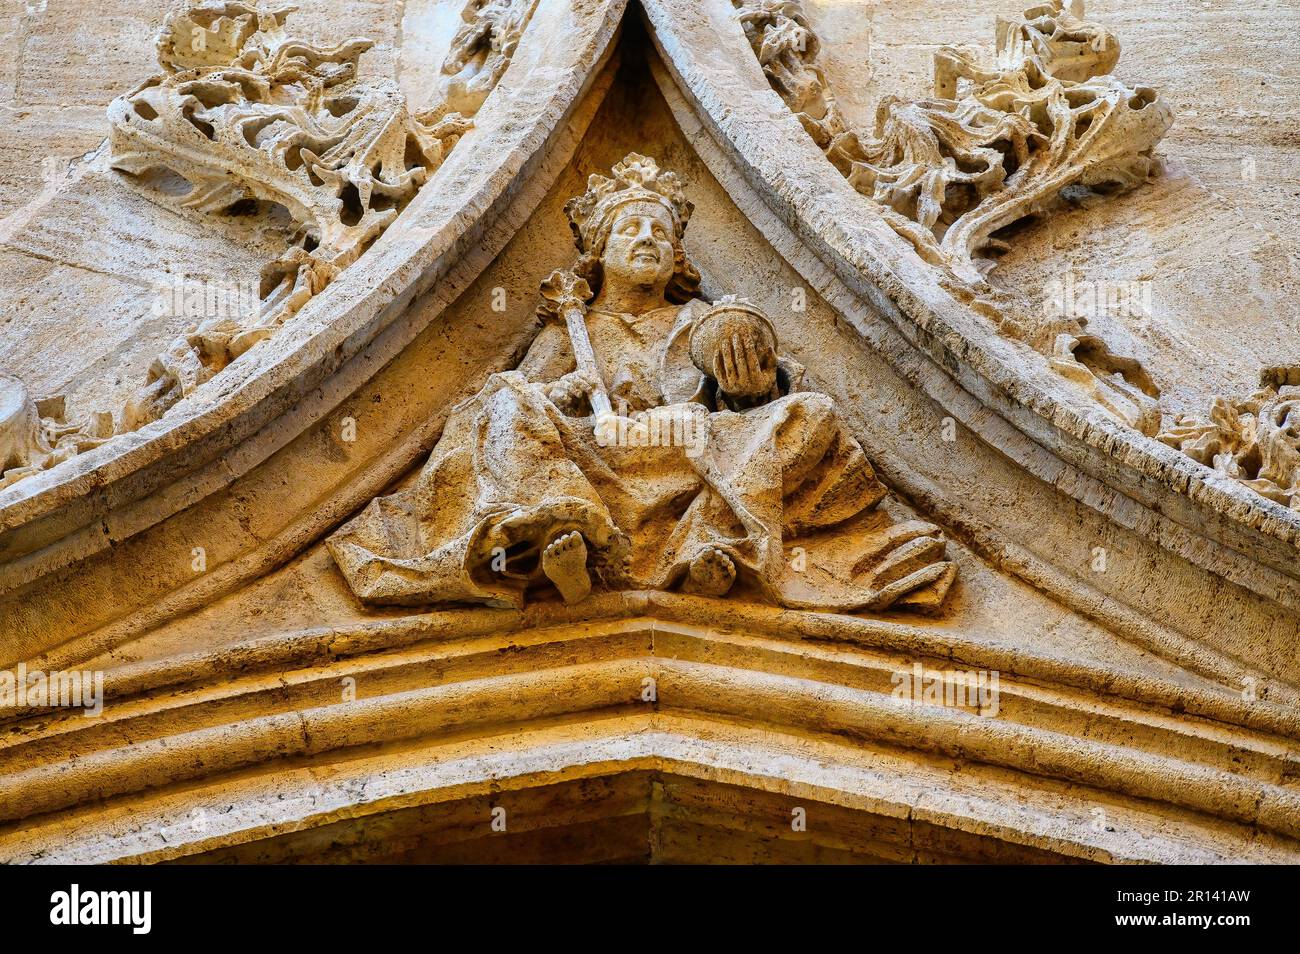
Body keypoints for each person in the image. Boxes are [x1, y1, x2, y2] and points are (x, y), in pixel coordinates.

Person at [328, 154, 956, 612]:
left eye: (661, 232)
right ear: (597, 253)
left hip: (682, 452)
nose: (648, 239)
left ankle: (711, 547)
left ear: (680, 257)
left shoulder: (697, 321)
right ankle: (562, 542)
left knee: (810, 414)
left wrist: (746, 384)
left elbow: (743, 389)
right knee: (505, 399)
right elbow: (512, 403)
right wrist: (558, 395)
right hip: (594, 461)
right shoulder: (568, 330)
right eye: (631, 230)